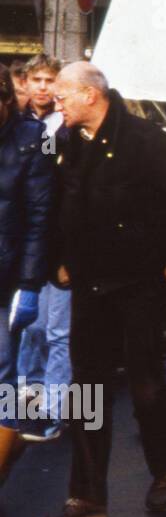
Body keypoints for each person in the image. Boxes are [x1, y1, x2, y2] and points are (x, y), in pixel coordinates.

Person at [44, 63, 166, 517]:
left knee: (145, 385)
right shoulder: (64, 142)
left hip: (138, 283)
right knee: (87, 389)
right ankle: (87, 498)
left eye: (62, 95)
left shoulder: (146, 141)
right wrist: (59, 258)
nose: (56, 104)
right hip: (89, 283)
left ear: (90, 95)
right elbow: (58, 203)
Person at [0, 63, 53, 488]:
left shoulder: (33, 140)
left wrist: (30, 285)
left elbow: (40, 218)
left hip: (6, 276)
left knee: (2, 372)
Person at [14, 54, 71, 442]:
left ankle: (54, 410)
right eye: (36, 80)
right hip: (27, 244)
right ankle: (29, 400)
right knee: (29, 328)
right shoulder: (17, 125)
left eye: (50, 80)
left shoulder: (66, 126)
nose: (42, 87)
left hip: (59, 242)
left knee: (58, 332)